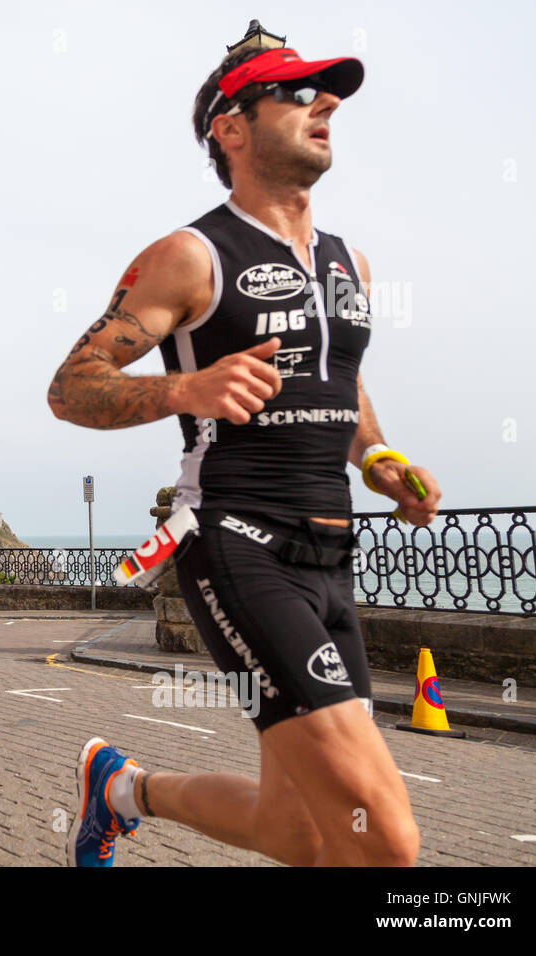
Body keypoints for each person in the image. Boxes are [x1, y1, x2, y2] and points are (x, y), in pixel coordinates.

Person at [48, 23, 442, 867]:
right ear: (230, 127)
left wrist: (376, 458)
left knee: (294, 832)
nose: (325, 104)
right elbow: (71, 386)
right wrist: (182, 388)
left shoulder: (350, 264)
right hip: (237, 544)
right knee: (386, 843)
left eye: (327, 94)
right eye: (297, 93)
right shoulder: (189, 256)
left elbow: (342, 382)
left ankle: (122, 790)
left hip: (332, 552)